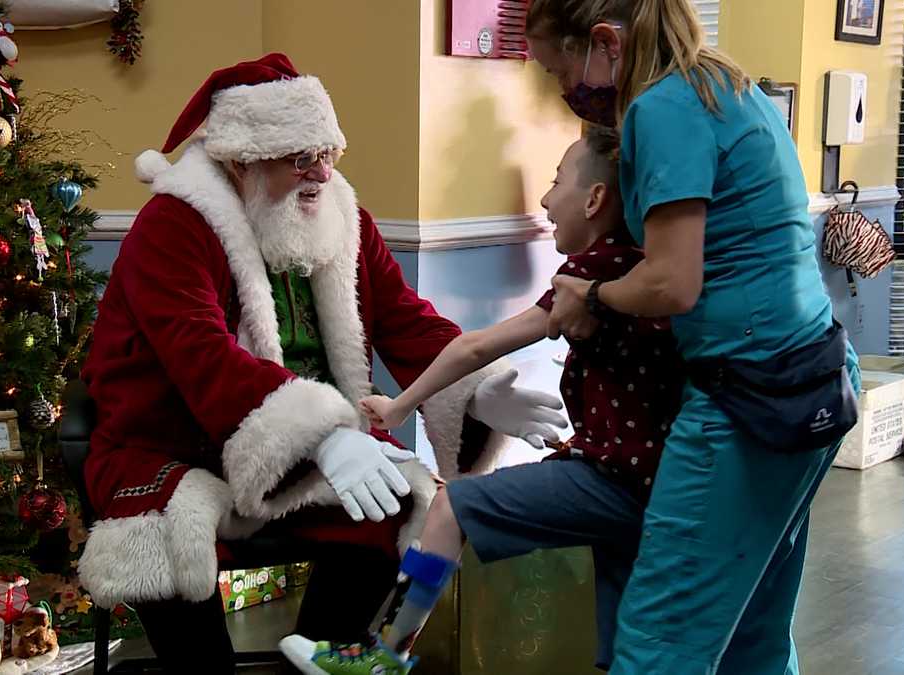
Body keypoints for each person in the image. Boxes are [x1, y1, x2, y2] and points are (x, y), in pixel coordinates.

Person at [76, 53, 565, 672]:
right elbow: (201, 356)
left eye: (327, 152)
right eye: (299, 158)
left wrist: (476, 388)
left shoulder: (341, 216)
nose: (320, 174)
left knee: (396, 507)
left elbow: (403, 317)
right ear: (240, 159)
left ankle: (318, 658)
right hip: (172, 443)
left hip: (311, 447)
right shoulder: (173, 224)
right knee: (167, 542)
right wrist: (324, 436)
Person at [524, 1, 862, 673]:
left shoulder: (661, 107)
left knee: (657, 643)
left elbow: (672, 283)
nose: (563, 92)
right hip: (817, 376)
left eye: (558, 68)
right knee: (753, 637)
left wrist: (591, 294)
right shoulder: (725, 84)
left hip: (747, 405)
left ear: (604, 42)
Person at [278, 127, 685, 675]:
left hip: (615, 475)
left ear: (594, 200)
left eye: (556, 181)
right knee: (624, 629)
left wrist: (401, 407)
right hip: (660, 477)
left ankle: (386, 655)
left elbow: (474, 348)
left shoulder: (591, 274)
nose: (543, 199)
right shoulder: (644, 267)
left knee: (452, 506)